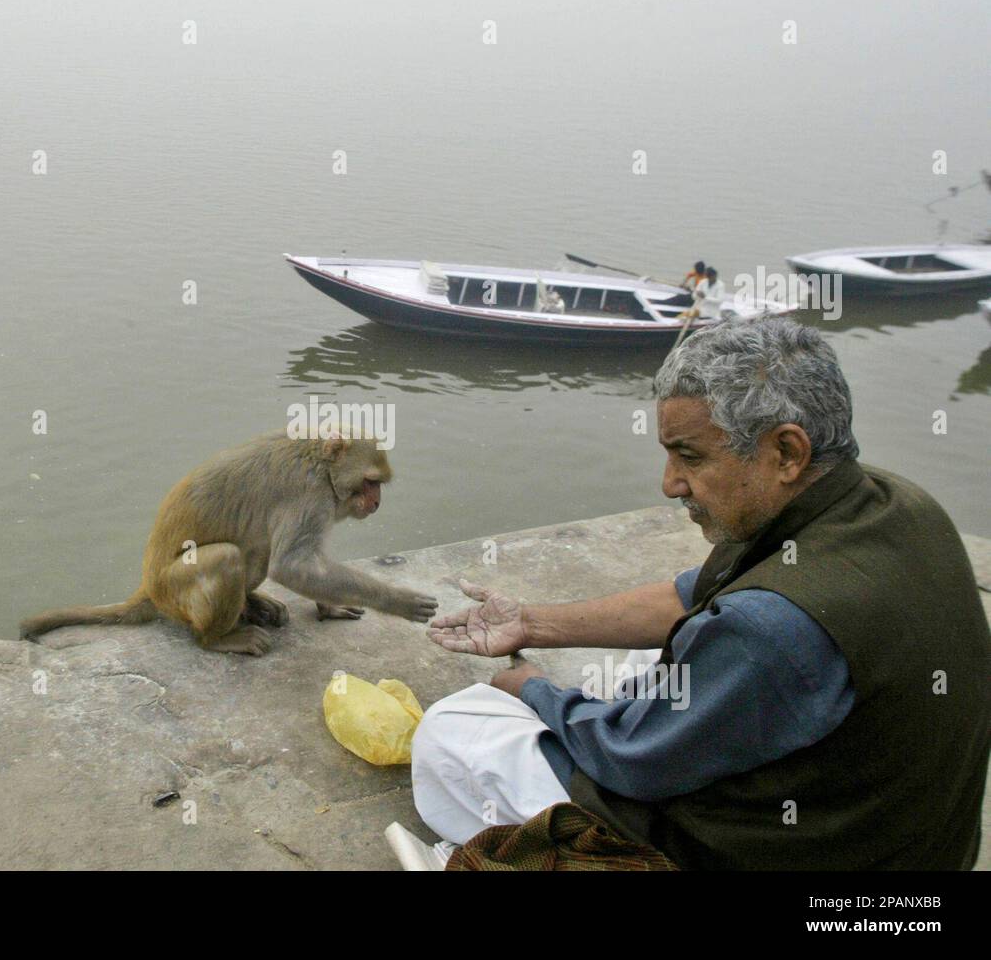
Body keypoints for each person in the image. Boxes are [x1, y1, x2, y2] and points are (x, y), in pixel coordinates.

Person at [409, 316, 991, 870]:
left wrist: (534, 690)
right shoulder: (894, 501)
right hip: (906, 841)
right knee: (680, 652)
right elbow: (688, 601)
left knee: (457, 727)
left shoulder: (771, 626)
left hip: (791, 860)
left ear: (786, 453)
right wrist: (531, 624)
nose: (670, 484)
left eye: (689, 456)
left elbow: (628, 760)